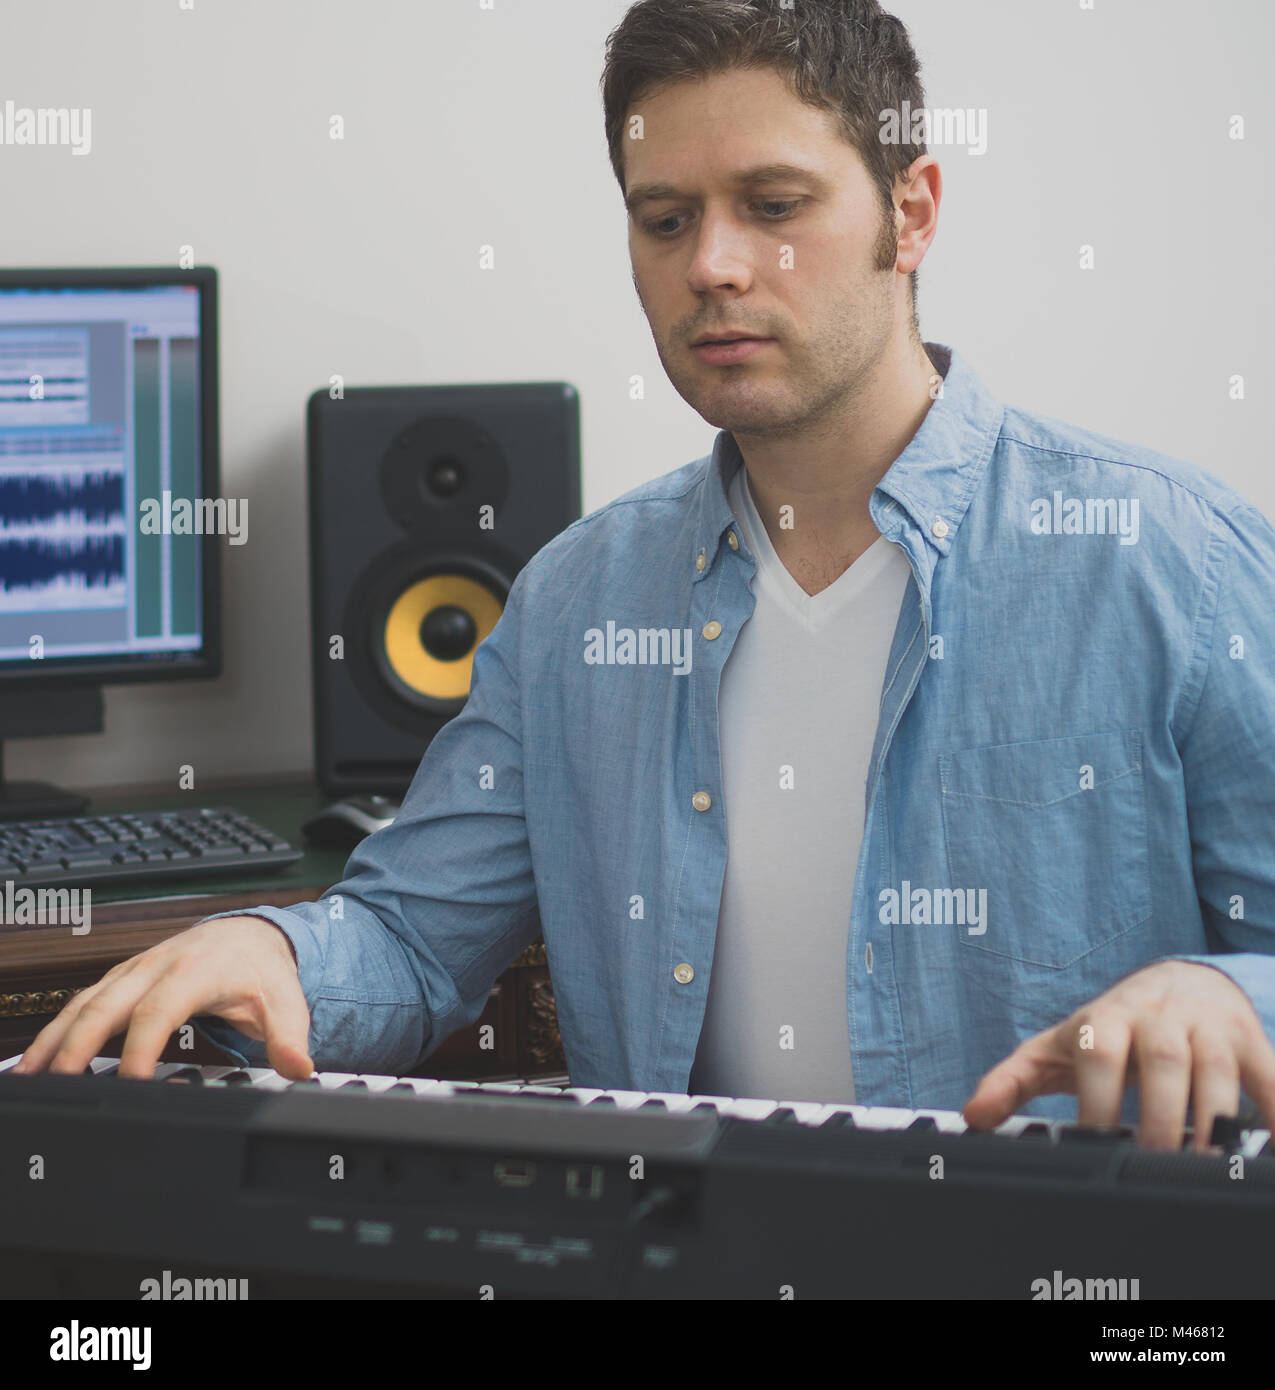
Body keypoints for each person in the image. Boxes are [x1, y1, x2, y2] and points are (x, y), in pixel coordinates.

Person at [17, 0, 1275, 1153]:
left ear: (915, 209)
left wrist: (1229, 989)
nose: (712, 266)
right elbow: (410, 935)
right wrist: (268, 948)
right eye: (664, 219)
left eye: (773, 207)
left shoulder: (1172, 561)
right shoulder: (577, 602)